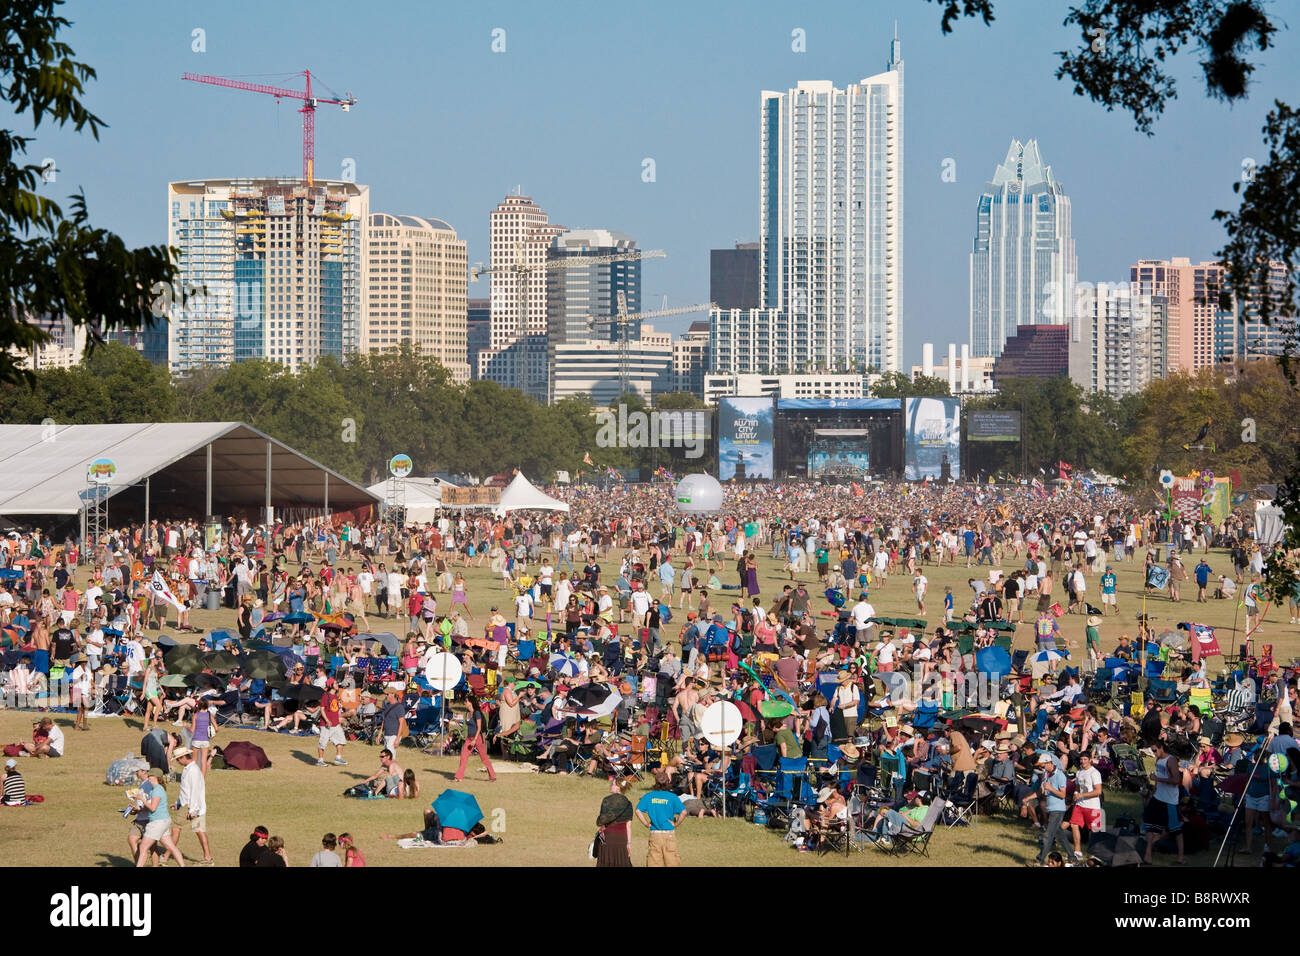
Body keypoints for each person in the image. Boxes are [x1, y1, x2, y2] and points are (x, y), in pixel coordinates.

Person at [1142, 739, 1186, 865]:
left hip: (1170, 800)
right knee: (1149, 826)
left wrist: (1158, 779)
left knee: (1176, 830)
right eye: (1152, 751)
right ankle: (1147, 855)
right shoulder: (1158, 760)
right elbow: (1158, 779)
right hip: (1157, 797)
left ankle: (1180, 857)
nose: (1154, 753)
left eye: (1155, 750)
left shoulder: (1170, 760)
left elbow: (1177, 781)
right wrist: (1153, 791)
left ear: (1161, 748)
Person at [135, 767, 184, 868]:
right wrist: (139, 807)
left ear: (156, 777)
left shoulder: (157, 790)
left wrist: (142, 799)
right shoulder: (156, 789)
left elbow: (153, 808)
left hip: (157, 823)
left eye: (150, 775)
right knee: (171, 847)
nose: (148, 777)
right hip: (163, 821)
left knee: (143, 847)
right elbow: (152, 806)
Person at [172, 747, 213, 865]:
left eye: (178, 759)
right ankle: (208, 858)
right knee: (199, 831)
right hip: (190, 806)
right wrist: (177, 803)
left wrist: (192, 809)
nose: (177, 762)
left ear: (183, 757)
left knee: (176, 828)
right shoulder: (188, 769)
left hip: (190, 806)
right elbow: (185, 790)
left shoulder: (193, 771)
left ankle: (165, 857)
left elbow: (195, 791)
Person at [1032, 752, 1072, 866]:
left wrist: (1050, 788)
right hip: (1051, 808)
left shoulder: (1060, 775)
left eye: (1042, 766)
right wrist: (1028, 798)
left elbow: (1063, 795)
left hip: (1058, 809)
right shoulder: (1046, 773)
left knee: (1048, 836)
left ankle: (1039, 860)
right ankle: (1072, 857)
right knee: (1060, 835)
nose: (1041, 768)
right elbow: (1041, 790)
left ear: (1049, 763)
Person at [635, 785, 687, 867]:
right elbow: (683, 812)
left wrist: (646, 824)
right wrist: (676, 824)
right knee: (671, 861)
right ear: (667, 783)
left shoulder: (649, 796)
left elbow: (638, 811)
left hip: (655, 834)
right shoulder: (672, 796)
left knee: (654, 861)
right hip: (669, 834)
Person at [454, 691, 497, 782]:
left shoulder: (477, 713)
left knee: (484, 758)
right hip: (469, 738)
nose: (465, 703)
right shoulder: (467, 713)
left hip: (477, 738)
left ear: (471, 702)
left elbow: (479, 727)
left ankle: (492, 776)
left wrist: (475, 739)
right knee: (463, 757)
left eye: (466, 701)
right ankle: (459, 777)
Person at [1068, 750, 1104, 861]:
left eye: (1085, 759)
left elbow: (1098, 791)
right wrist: (1075, 794)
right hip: (1080, 805)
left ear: (1090, 760)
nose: (1083, 762)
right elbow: (1078, 787)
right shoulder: (1079, 772)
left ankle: (1096, 853)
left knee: (1095, 830)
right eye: (1081, 759)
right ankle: (1077, 851)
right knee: (1074, 825)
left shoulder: (1095, 773)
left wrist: (1082, 795)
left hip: (1092, 806)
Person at [594, 776, 635, 867]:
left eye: (612, 784)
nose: (610, 786)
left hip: (608, 837)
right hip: (622, 838)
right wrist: (628, 843)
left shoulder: (607, 800)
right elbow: (628, 826)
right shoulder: (628, 803)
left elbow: (601, 820)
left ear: (618, 787)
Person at [315, 678, 348, 767]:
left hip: (335, 724)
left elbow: (335, 710)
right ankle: (320, 760)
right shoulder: (325, 696)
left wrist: (338, 720)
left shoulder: (335, 696)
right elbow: (322, 709)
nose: (337, 685)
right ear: (331, 685)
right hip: (326, 724)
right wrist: (327, 720)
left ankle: (338, 758)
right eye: (335, 683)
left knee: (341, 740)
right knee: (323, 742)